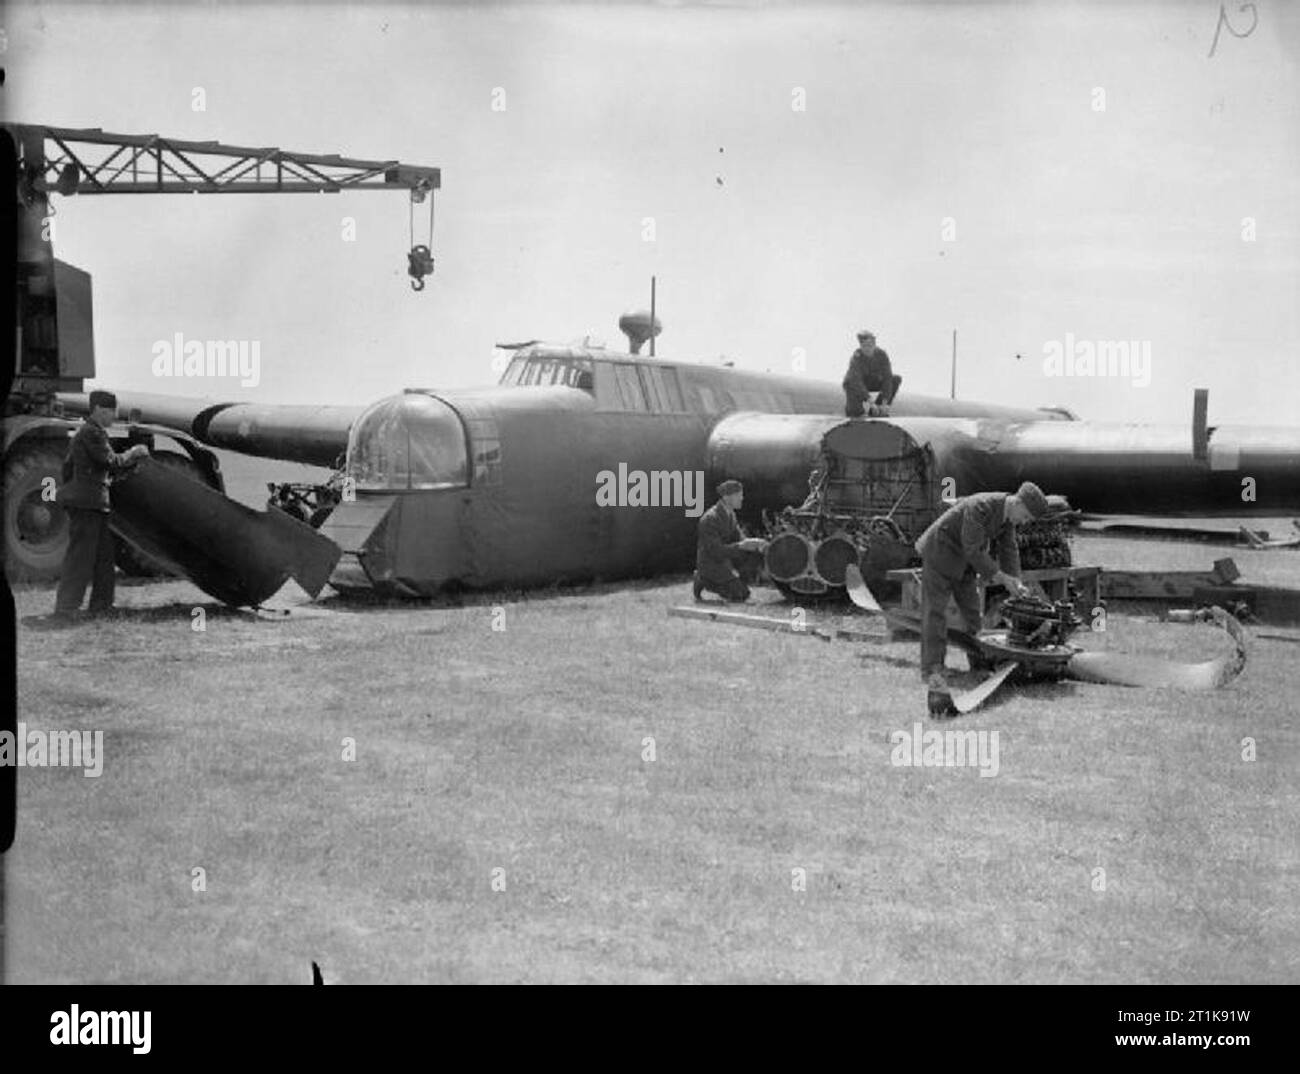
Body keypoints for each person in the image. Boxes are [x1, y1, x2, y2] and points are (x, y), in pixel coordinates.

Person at [914, 481, 1050, 693]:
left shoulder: (1007, 518)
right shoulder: (980, 506)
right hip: (940, 553)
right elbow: (972, 548)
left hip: (965, 564)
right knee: (935, 612)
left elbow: (1009, 549)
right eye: (1025, 516)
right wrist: (1001, 578)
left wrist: (1017, 582)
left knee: (972, 615)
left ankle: (979, 665)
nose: (1023, 522)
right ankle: (932, 668)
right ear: (1017, 502)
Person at [51, 390, 149, 622]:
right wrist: (134, 452)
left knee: (104, 557)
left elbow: (68, 469)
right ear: (97, 410)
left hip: (92, 503)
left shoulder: (87, 433)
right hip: (89, 505)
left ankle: (102, 605)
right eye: (109, 412)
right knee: (81, 558)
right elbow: (110, 462)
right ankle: (66, 608)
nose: (113, 417)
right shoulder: (92, 433)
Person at [693, 479, 767, 602]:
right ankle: (702, 579)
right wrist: (741, 546)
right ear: (727, 498)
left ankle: (735, 579)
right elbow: (715, 551)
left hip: (723, 562)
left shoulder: (730, 515)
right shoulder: (710, 519)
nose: (742, 498)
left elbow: (739, 538)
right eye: (739, 495)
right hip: (711, 565)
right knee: (739, 595)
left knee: (743, 592)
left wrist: (756, 543)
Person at [842, 329, 901, 417]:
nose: (867, 349)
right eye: (864, 346)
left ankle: (879, 409)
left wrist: (885, 403)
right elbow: (857, 382)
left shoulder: (882, 355)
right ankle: (856, 412)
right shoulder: (856, 357)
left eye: (870, 345)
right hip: (857, 385)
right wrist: (870, 402)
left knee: (895, 379)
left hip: (872, 381)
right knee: (849, 382)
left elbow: (887, 379)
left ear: (874, 345)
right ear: (860, 346)